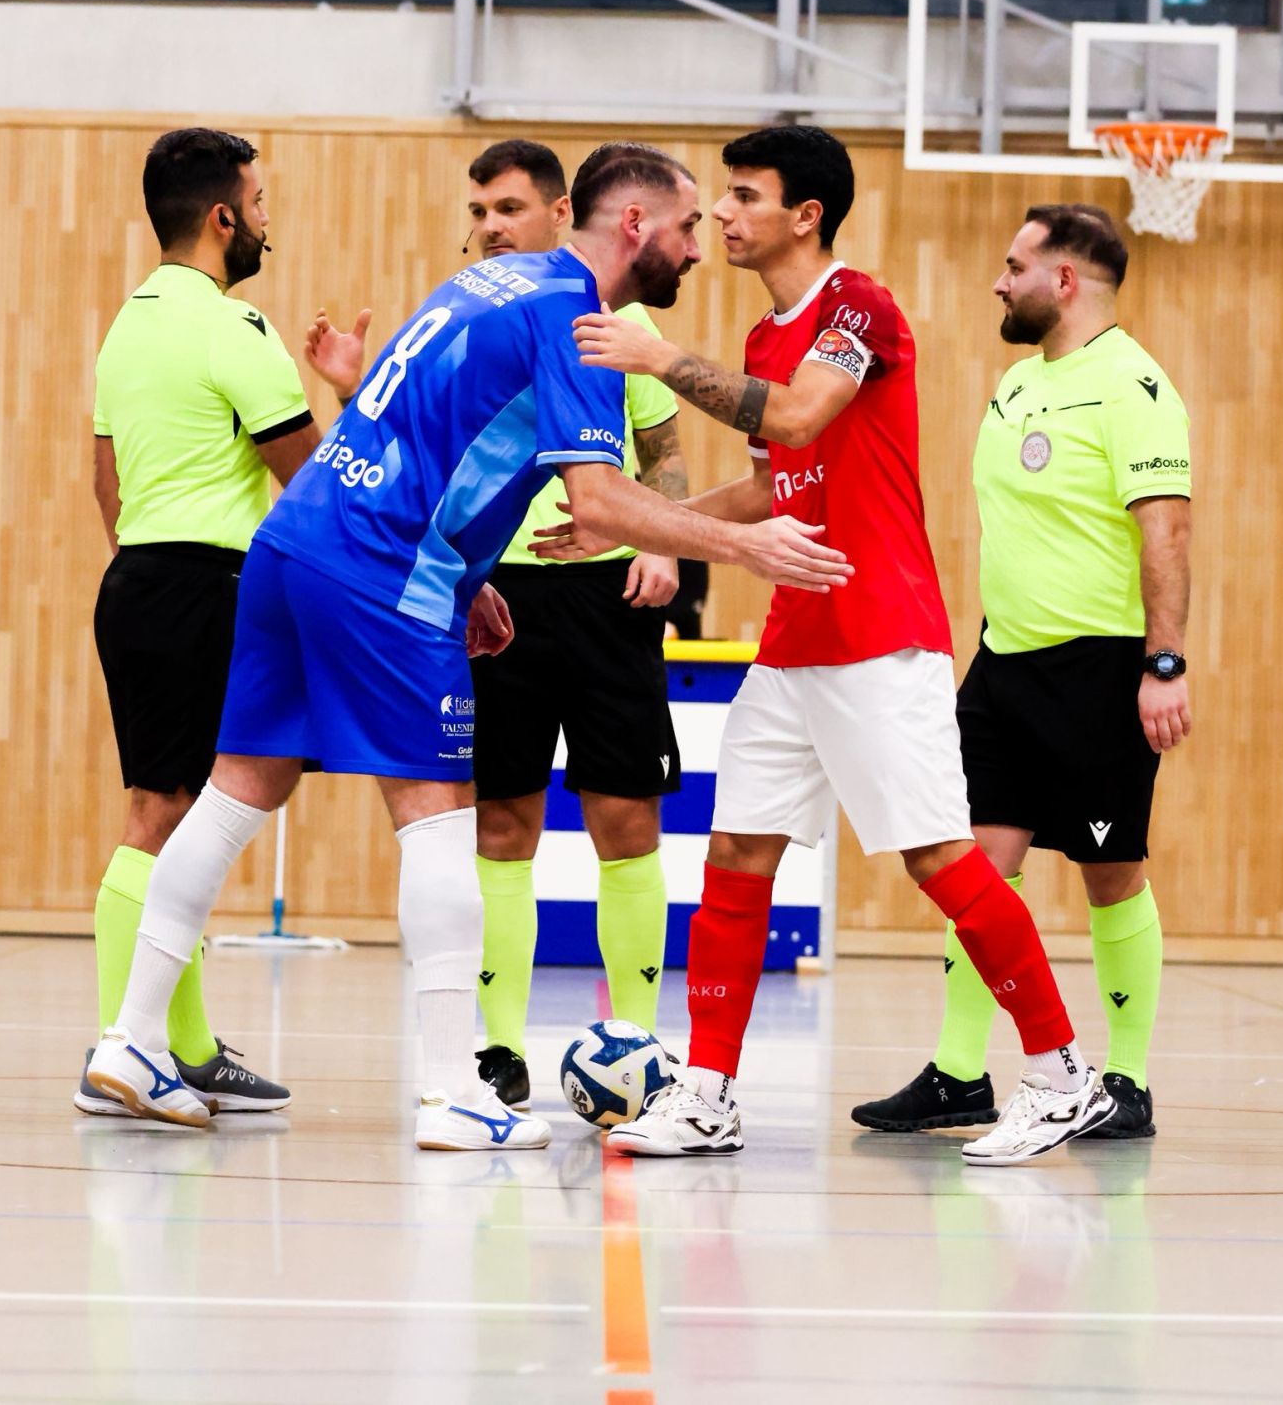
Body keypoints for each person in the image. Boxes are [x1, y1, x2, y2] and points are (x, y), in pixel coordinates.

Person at [86, 142, 851, 1152]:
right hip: (382, 577)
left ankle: (132, 1037)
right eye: (683, 228)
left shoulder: (486, 283)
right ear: (634, 226)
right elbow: (600, 500)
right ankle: (455, 1093)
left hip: (295, 545)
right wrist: (744, 543)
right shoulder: (573, 315)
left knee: (234, 793)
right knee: (440, 818)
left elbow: (410, 434)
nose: (696, 247)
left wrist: (468, 572)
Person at [569, 125, 1114, 1163]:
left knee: (939, 856)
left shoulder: (858, 304)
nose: (722, 213)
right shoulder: (764, 338)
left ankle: (1060, 1075)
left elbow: (802, 417)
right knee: (736, 853)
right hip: (794, 641)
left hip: (880, 631)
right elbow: (771, 484)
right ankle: (709, 1092)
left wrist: (659, 357)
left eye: (744, 194)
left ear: (805, 213)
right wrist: (635, 522)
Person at [308, 137, 690, 1109]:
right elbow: (416, 448)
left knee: (625, 818)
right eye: (478, 212)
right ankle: (499, 1049)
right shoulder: (470, 312)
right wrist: (350, 388)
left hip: (606, 597)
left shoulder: (619, 321)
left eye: (509, 209)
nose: (488, 227)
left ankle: (637, 1043)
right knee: (502, 819)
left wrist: (665, 545)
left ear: (563, 215)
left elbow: (662, 449)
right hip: (491, 598)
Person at [852, 204, 1190, 1141]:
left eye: (1015, 266)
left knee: (1110, 873)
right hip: (1002, 665)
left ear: (1064, 279)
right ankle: (961, 1074)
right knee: (973, 870)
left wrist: (1164, 663)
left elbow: (1167, 531)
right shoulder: (1016, 383)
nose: (999, 282)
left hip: (1099, 669)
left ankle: (1128, 1080)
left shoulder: (1134, 387)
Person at [80, 128, 320, 1118]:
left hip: (137, 577)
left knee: (166, 810)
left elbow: (107, 482)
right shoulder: (236, 327)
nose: (265, 222)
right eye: (257, 205)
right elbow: (315, 481)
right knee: (170, 817)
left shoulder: (126, 326)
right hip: (204, 586)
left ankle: (175, 1044)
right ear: (223, 217)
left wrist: (153, 560)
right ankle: (128, 1049)